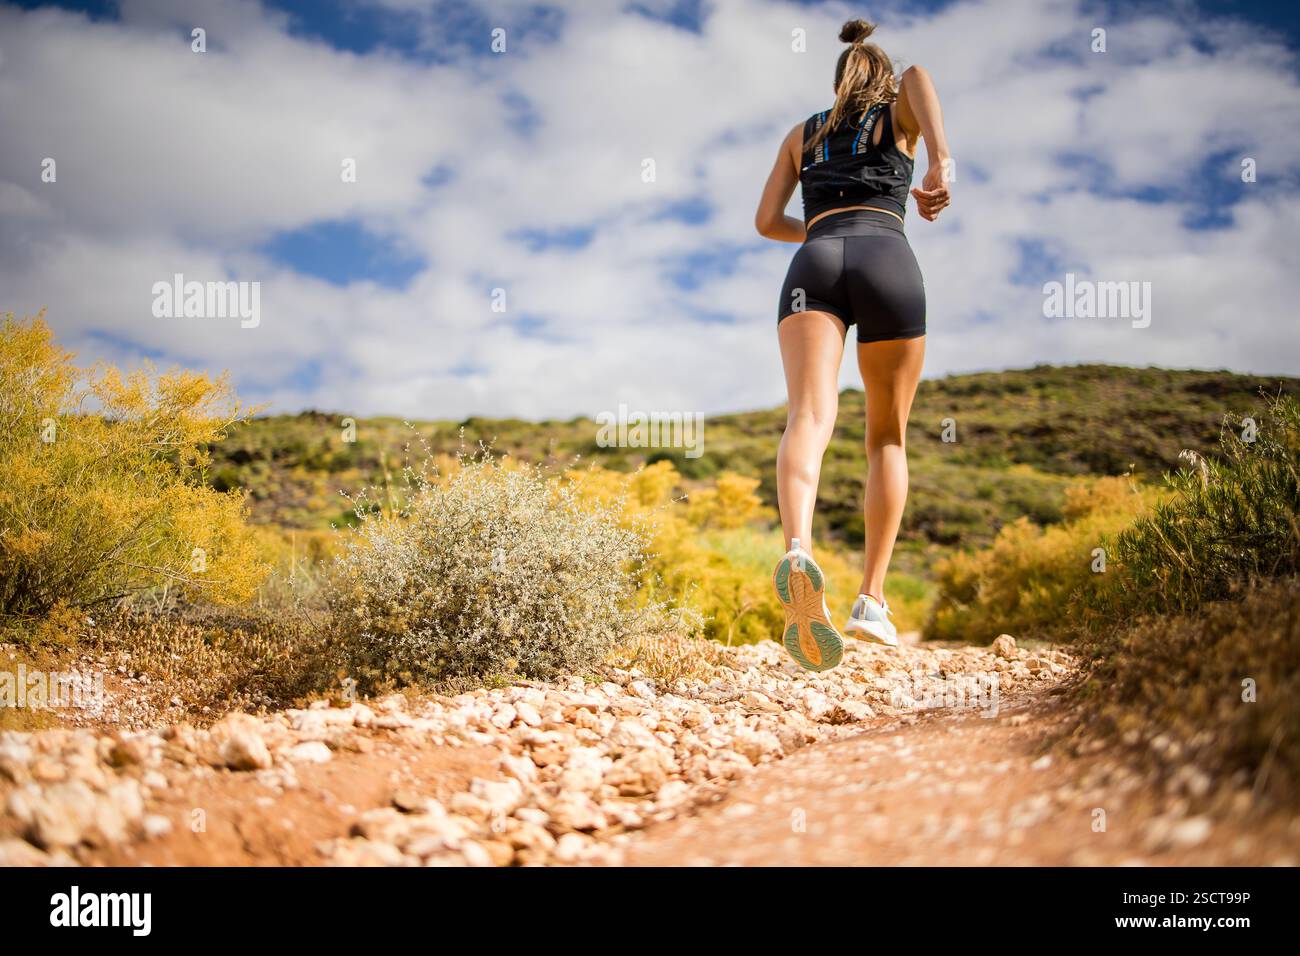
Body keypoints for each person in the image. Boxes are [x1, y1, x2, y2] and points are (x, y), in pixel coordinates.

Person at [755, 17, 952, 670]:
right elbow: (921, 76)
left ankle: (799, 548)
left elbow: (763, 222)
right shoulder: (900, 112)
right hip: (887, 257)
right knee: (887, 438)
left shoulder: (802, 133)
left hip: (813, 262)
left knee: (808, 417)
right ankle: (871, 600)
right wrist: (941, 165)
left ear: (837, 80)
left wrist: (819, 231)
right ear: (885, 80)